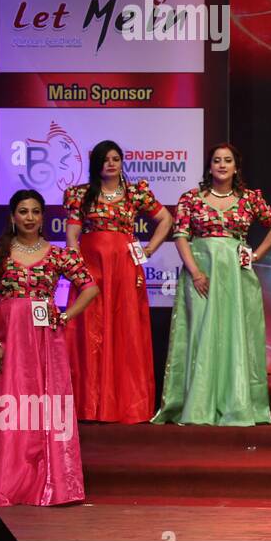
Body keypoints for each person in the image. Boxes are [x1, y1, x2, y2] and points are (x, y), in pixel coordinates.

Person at [0, 190, 99, 506]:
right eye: (23, 211)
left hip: (43, 343)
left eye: (36, 212)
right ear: (13, 216)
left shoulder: (58, 255)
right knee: (2, 410)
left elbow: (91, 288)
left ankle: (46, 482)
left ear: (43, 217)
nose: (30, 217)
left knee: (42, 407)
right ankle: (0, 481)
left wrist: (65, 315)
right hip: (7, 340)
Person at [153, 144, 271, 426]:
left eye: (228, 161)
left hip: (236, 276)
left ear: (236, 167)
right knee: (202, 333)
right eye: (217, 161)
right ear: (209, 167)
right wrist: (195, 272)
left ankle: (235, 403)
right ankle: (198, 405)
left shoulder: (249, 199)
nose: (222, 165)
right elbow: (180, 236)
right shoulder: (191, 198)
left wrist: (256, 254)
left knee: (235, 333)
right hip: (202, 272)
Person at [63, 140, 173, 423]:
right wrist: (77, 265)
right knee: (88, 327)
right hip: (92, 265)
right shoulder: (81, 194)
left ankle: (125, 404)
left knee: (125, 328)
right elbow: (73, 234)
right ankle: (88, 404)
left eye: (116, 158)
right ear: (96, 164)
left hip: (124, 267)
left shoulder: (136, 193)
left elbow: (166, 219)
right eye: (105, 159)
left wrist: (148, 249)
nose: (111, 163)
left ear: (122, 162)